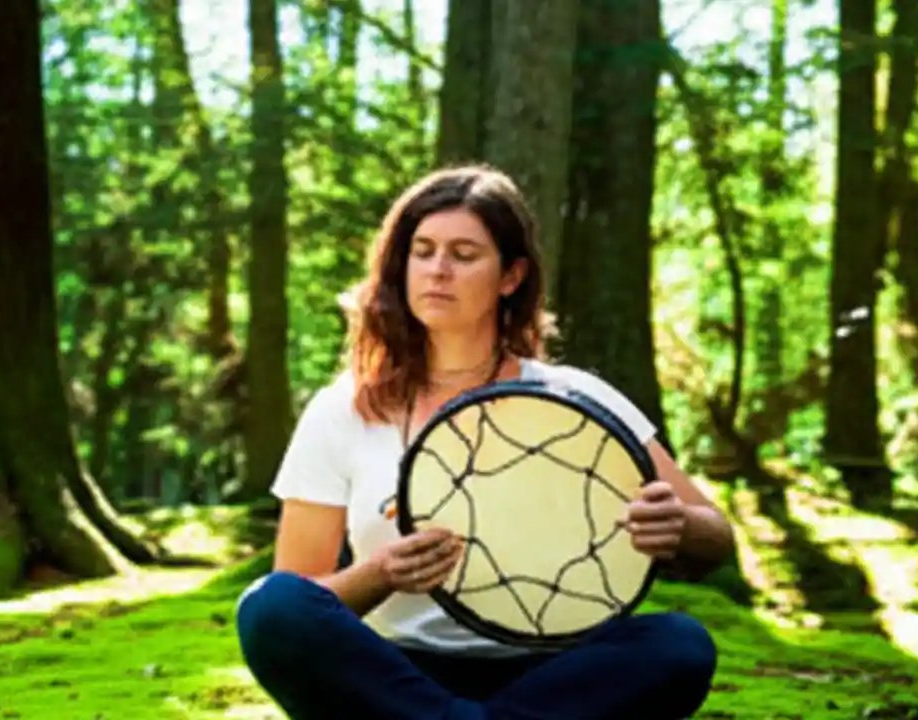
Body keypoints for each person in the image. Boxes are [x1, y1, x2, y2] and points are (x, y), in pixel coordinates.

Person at [235, 165, 735, 719]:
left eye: (464, 254)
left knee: (679, 645)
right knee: (268, 608)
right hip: (391, 674)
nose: (437, 271)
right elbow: (304, 593)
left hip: (552, 673)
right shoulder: (345, 408)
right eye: (422, 251)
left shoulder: (575, 397)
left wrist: (681, 525)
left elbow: (715, 537)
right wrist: (379, 574)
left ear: (511, 276)